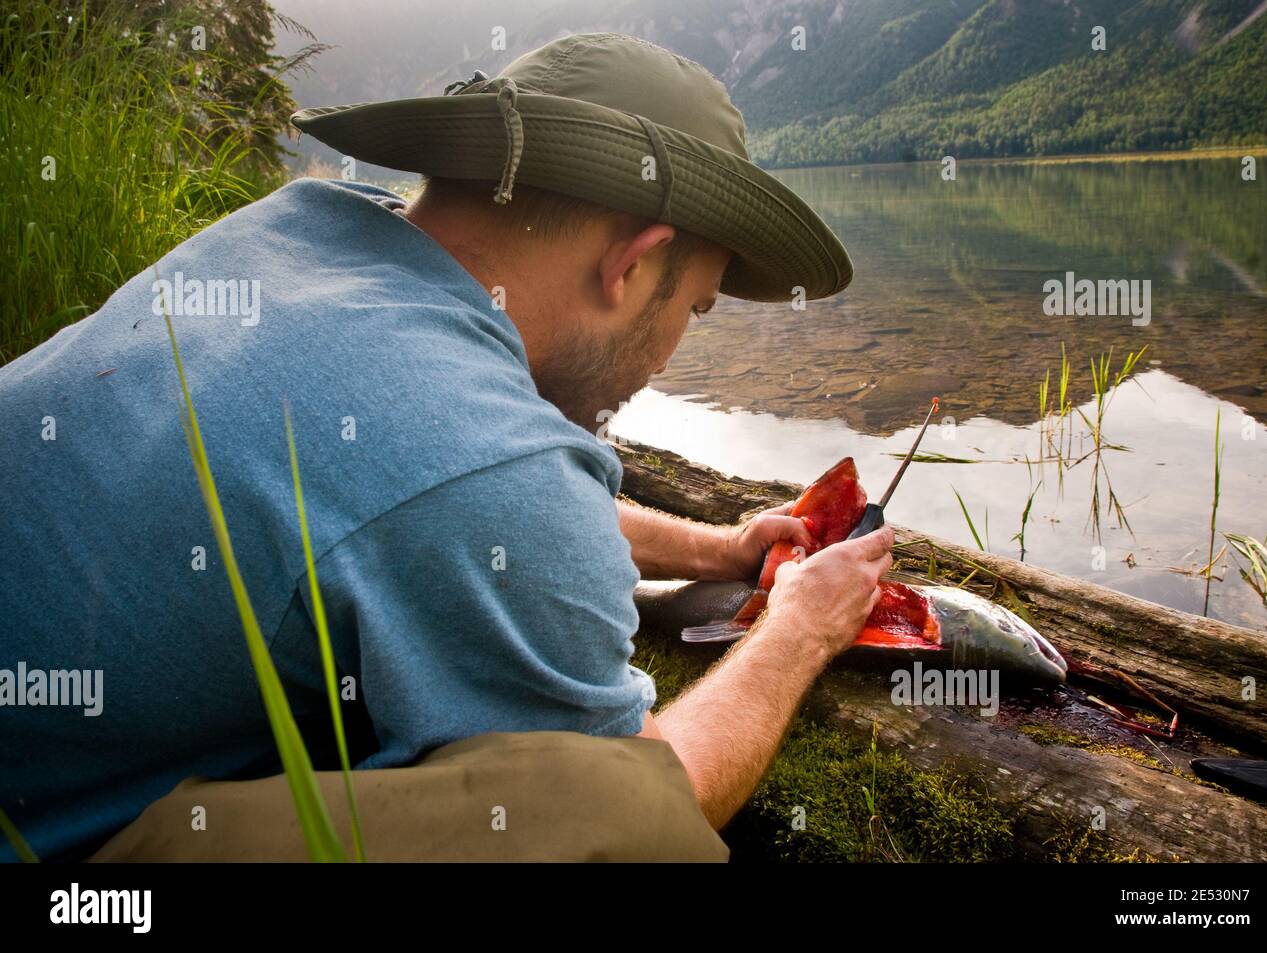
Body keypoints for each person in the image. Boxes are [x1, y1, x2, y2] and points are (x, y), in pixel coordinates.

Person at [0, 32, 892, 862]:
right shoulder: (488, 460)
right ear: (632, 263)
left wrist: (720, 547)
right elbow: (660, 797)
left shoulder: (296, 228)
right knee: (614, 812)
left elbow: (412, 491)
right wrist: (799, 627)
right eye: (693, 310)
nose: (669, 356)